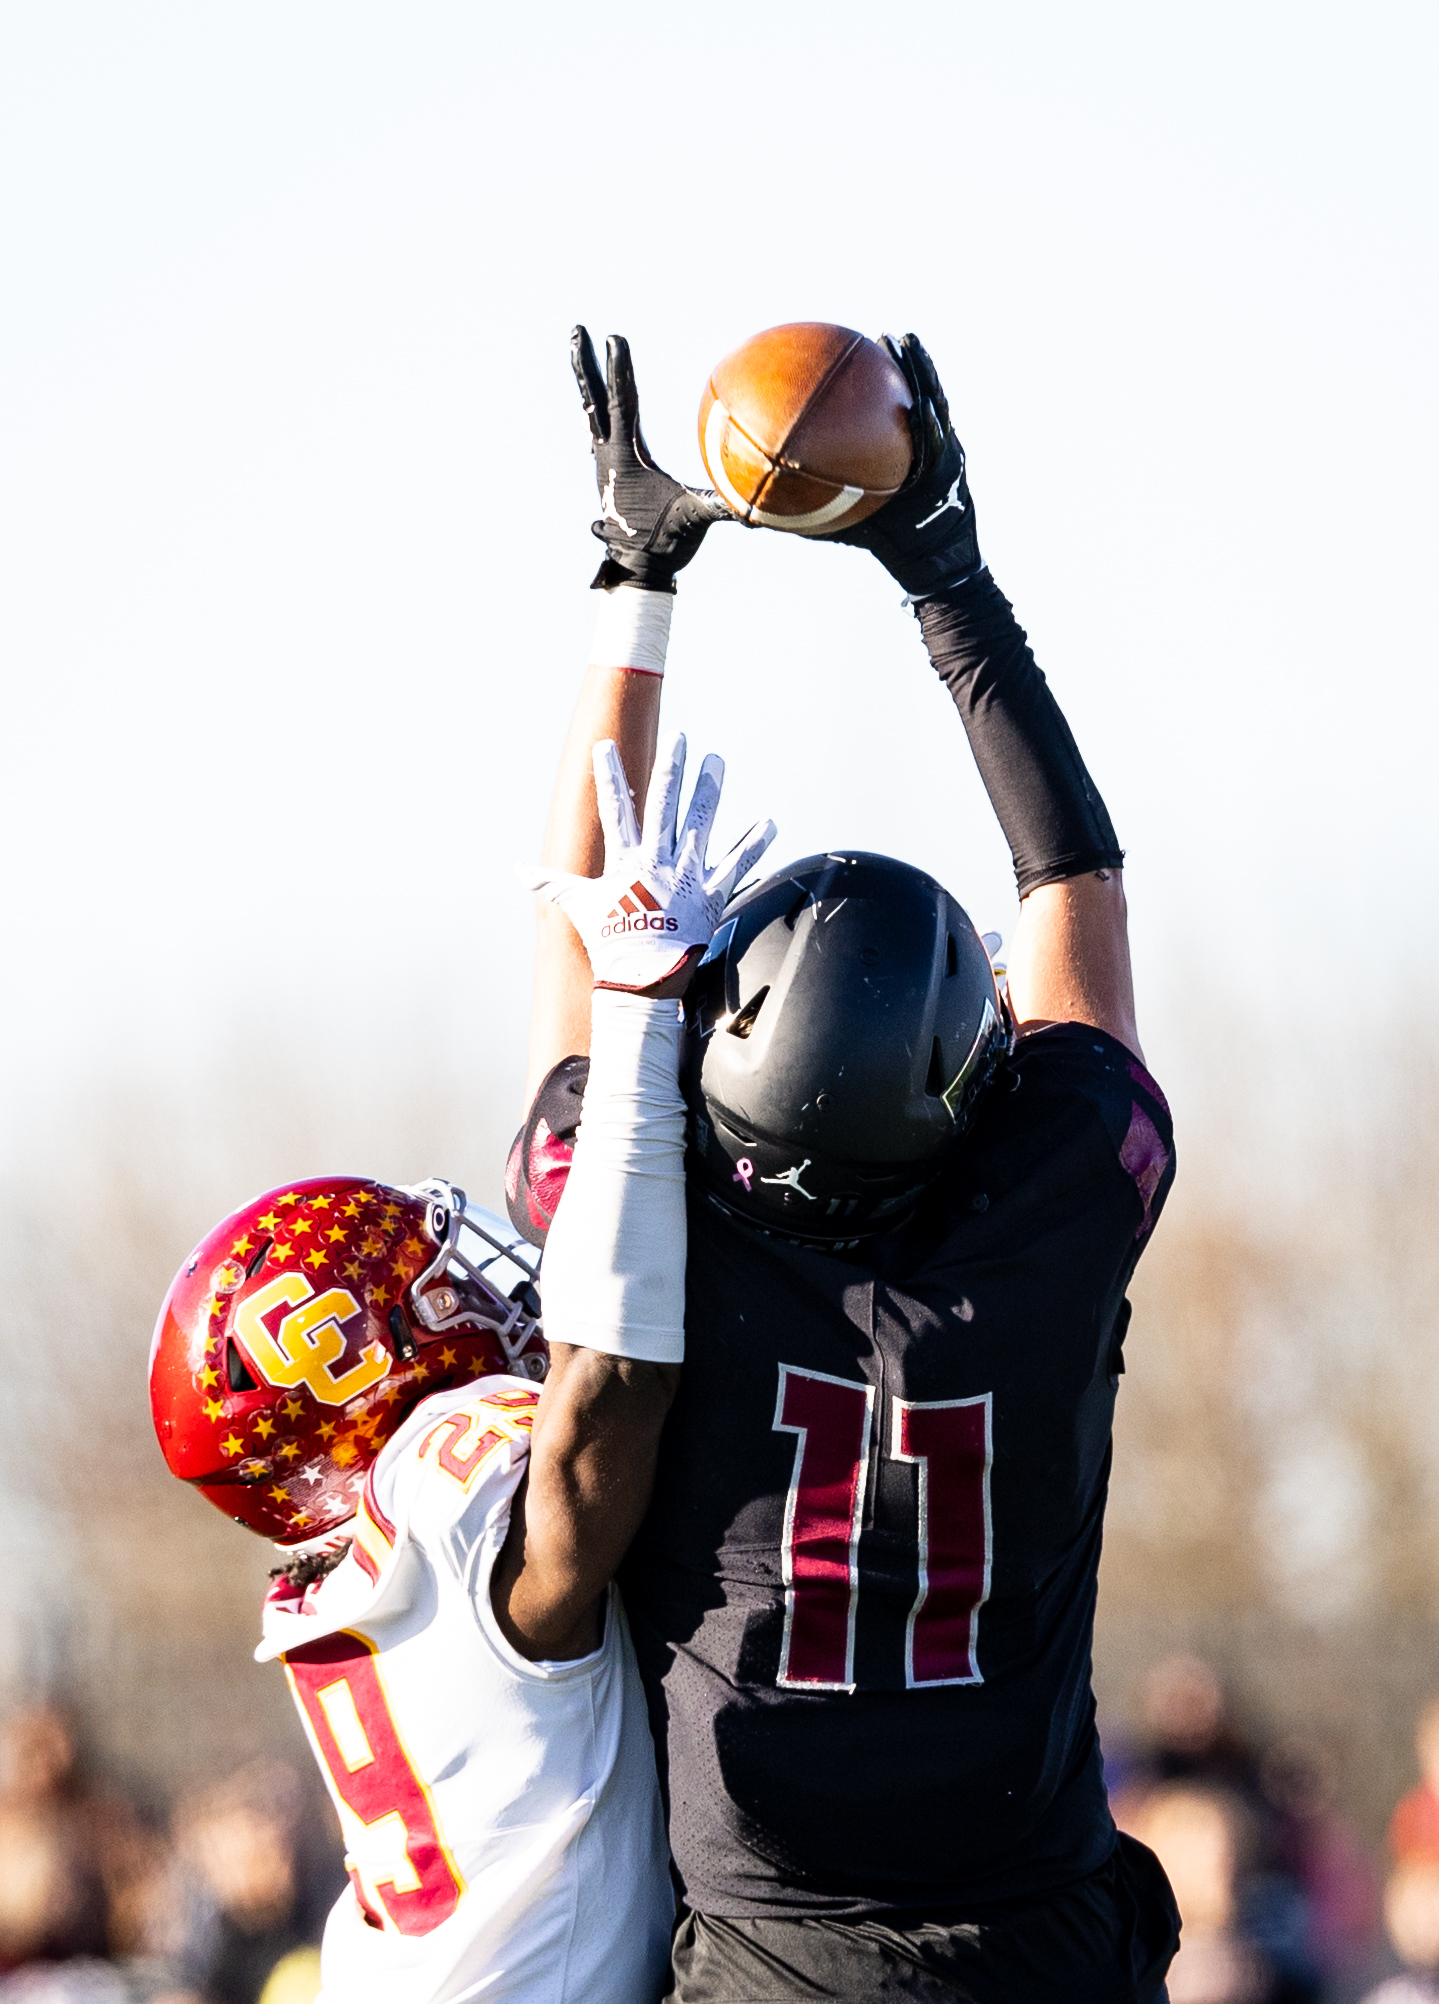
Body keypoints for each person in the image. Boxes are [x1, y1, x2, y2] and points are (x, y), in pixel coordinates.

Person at [508, 326, 1183, 2002]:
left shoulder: (658, 1227)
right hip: (1038, 1937)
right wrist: (937, 561)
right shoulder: (1046, 1206)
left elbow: (573, 921)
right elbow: (1070, 877)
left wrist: (633, 574)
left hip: (765, 1953)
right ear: (969, 1075)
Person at [148, 735, 775, 2004]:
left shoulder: (344, 1566)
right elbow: (616, 1382)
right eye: (432, 1277)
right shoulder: (455, 1482)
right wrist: (638, 1020)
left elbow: (557, 957)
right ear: (362, 1361)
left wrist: (632, 592)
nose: (481, 1282)